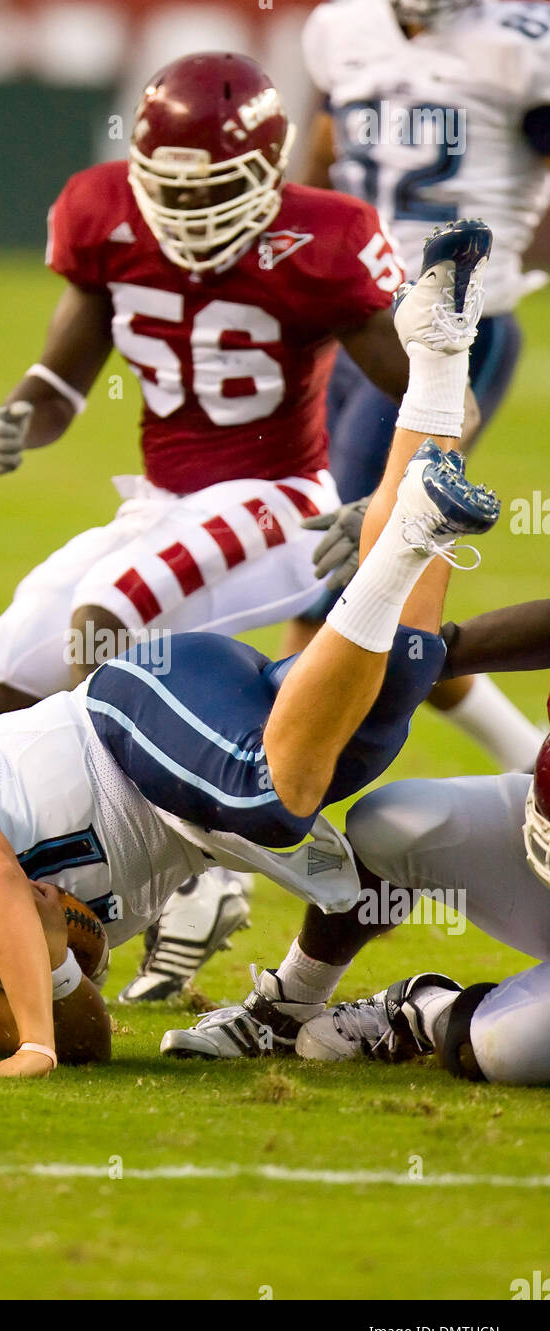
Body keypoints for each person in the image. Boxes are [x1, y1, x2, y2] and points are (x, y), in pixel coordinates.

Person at [0, 221, 498, 1080]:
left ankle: (410, 536)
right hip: (193, 806)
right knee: (393, 678)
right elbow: (89, 1038)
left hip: (131, 724)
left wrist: (34, 1039)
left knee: (269, 794)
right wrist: (62, 968)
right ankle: (440, 357)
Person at [0, 48, 422, 1000]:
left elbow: (425, 394)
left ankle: (193, 879)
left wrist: (376, 507)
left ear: (268, 173)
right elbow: (62, 376)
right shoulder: (102, 216)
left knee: (106, 617)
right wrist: (22, 412)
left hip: (283, 502)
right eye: (169, 189)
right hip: (164, 504)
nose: (187, 213)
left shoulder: (323, 237)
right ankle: (187, 866)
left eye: (212, 189)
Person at [284, 0, 550, 771]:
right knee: (379, 602)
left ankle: (254, 818)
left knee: (332, 585)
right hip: (354, 327)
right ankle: (532, 759)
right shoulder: (342, 28)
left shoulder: (521, 42)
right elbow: (325, 157)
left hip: (460, 332)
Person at [162, 598, 550, 1079]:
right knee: (393, 823)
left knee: (504, 1047)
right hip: (540, 841)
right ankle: (291, 1003)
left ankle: (423, 1011)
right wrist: (426, 657)